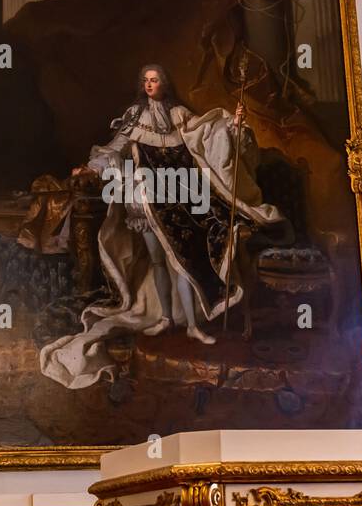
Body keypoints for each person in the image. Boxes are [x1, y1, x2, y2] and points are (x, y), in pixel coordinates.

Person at [39, 63, 287, 389]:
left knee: (181, 262)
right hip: (146, 200)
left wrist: (233, 124)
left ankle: (193, 327)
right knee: (158, 260)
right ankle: (166, 318)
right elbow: (114, 149)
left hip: (180, 198)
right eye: (145, 80)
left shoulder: (180, 114)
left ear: (164, 83)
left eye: (154, 80)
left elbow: (208, 137)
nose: (149, 85)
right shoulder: (134, 116)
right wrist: (91, 168)